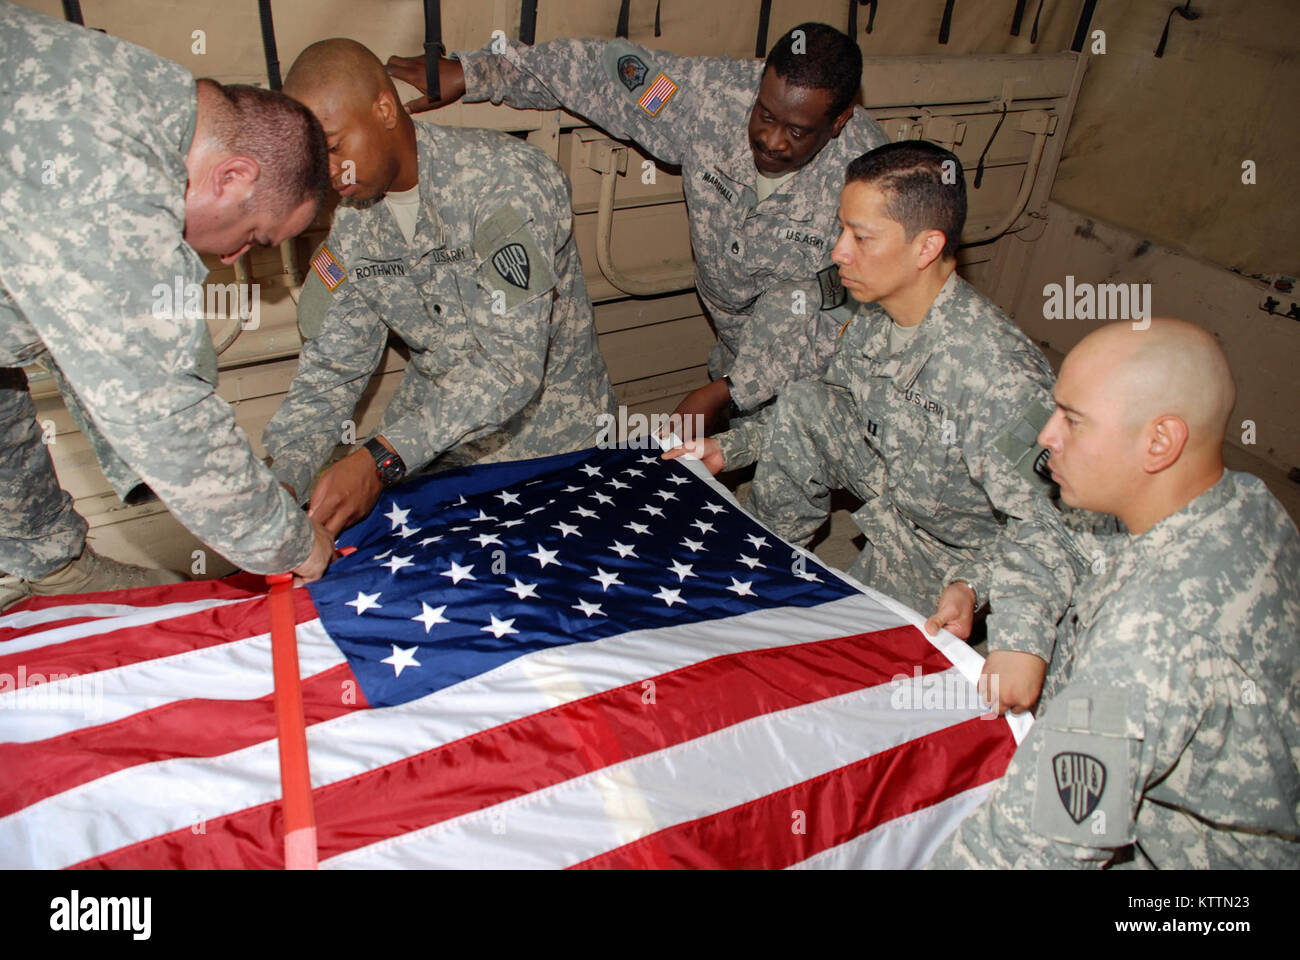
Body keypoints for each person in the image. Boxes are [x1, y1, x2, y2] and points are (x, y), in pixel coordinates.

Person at [666, 141, 1084, 713]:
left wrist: (979, 596)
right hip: (898, 500)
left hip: (955, 556)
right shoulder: (875, 319)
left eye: (861, 238)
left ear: (926, 247)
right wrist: (726, 450)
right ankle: (766, 553)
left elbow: (1054, 525)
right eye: (841, 230)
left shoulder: (998, 377)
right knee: (804, 400)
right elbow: (829, 409)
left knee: (837, 688)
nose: (839, 253)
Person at [0, 1, 337, 612]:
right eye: (256, 236)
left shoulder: (142, 97)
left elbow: (60, 335)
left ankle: (41, 562)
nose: (236, 258)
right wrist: (290, 543)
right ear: (233, 178)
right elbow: (161, 407)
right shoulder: (105, 172)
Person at [387, 22, 888, 431]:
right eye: (765, 113)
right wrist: (480, 73)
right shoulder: (714, 99)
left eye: (797, 131)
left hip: (818, 355)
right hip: (735, 337)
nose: (771, 140)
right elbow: (604, 75)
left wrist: (733, 390)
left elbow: (832, 319)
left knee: (792, 449)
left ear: (840, 120)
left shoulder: (872, 183)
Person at [928, 320, 1300, 868]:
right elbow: (1051, 533)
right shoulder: (1237, 501)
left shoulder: (1152, 632)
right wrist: (1022, 636)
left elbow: (1034, 846)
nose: (1045, 435)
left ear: (1159, 441)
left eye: (1073, 421)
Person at [263, 39, 617, 537]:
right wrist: (284, 479)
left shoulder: (504, 186)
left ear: (384, 110)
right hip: (435, 455)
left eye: (335, 145)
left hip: (549, 451)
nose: (329, 171)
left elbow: (509, 366)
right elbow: (332, 369)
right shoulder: (352, 225)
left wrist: (379, 459)